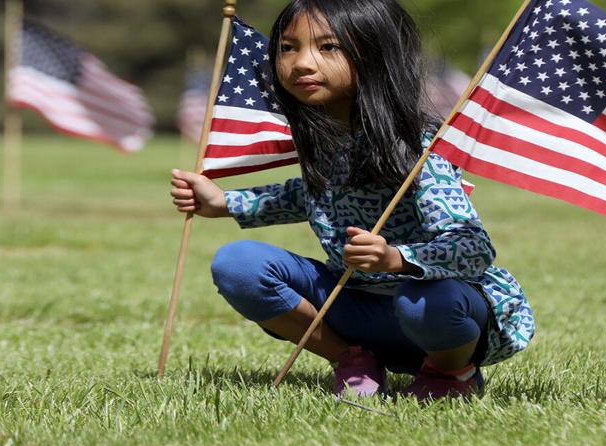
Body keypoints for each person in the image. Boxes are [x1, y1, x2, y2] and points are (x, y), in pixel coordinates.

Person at [168, 0, 533, 400]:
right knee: (237, 265)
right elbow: (310, 196)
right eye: (288, 47)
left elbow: (473, 247)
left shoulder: (421, 149)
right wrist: (225, 202)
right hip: (355, 305)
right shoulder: (326, 140)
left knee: (427, 299)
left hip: (436, 315)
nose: (302, 63)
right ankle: (352, 358)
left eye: (328, 48)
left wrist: (396, 258)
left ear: (377, 54)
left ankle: (451, 373)